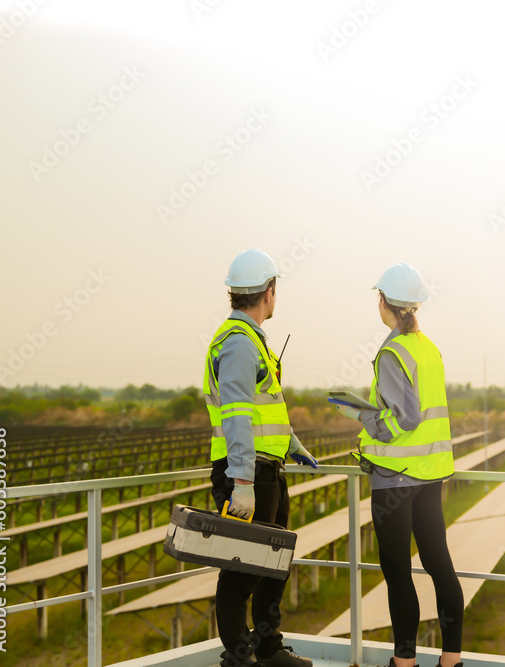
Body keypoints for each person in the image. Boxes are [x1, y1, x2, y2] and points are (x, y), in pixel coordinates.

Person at [334, 263, 464, 667]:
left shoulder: (392, 351)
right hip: (430, 474)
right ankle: (451, 659)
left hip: (394, 479)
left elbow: (401, 419)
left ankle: (404, 662)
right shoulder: (429, 348)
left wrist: (361, 416)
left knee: (397, 570)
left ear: (383, 303)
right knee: (439, 563)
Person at [203, 248, 319, 667]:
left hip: (268, 466)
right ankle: (238, 656)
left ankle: (269, 649)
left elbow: (261, 409)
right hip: (248, 473)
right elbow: (235, 415)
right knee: (243, 568)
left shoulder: (252, 341)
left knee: (274, 563)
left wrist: (291, 444)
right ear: (269, 292)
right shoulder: (237, 343)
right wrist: (243, 484)